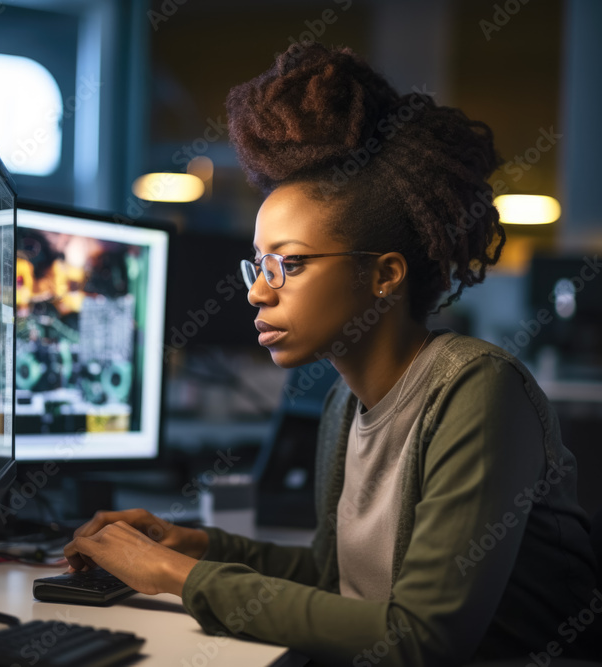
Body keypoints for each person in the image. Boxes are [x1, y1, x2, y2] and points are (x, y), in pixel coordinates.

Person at [63, 43, 601, 665]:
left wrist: (173, 575)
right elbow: (334, 577)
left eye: (289, 264)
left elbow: (421, 640)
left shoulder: (477, 390)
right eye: (258, 265)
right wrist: (194, 546)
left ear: (385, 275)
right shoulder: (344, 403)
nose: (257, 291)